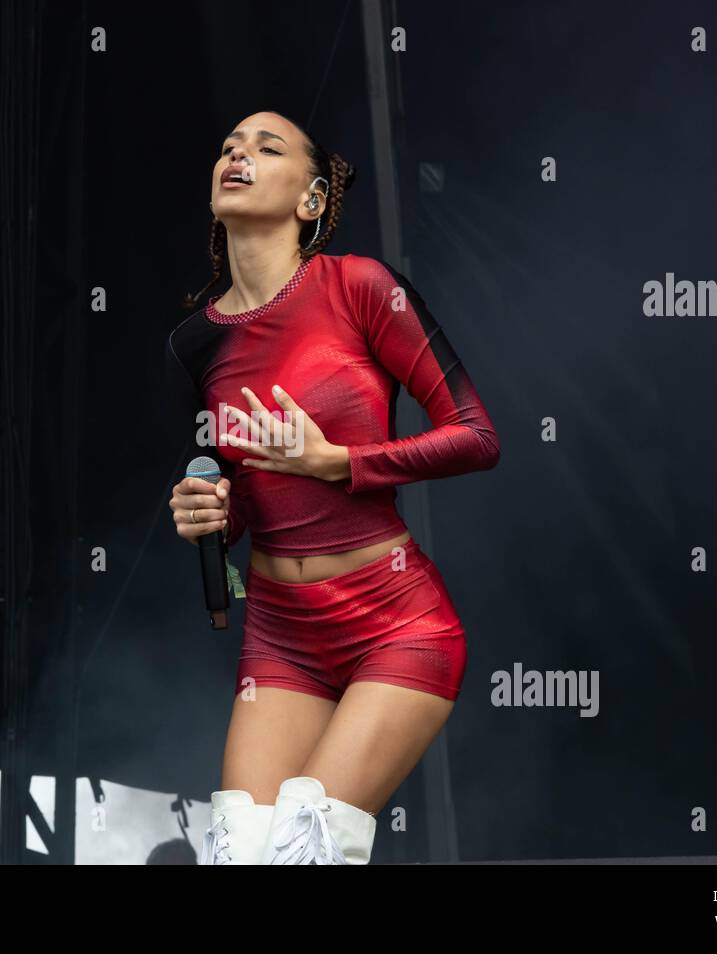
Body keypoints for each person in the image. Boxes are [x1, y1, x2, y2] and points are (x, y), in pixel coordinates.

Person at [166, 111, 500, 864]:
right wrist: (210, 512)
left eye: (265, 147)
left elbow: (478, 437)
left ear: (311, 200)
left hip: (395, 623)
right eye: (227, 147)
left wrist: (340, 462)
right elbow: (241, 502)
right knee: (239, 852)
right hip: (280, 636)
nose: (238, 155)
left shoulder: (359, 287)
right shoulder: (195, 343)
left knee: (302, 843)